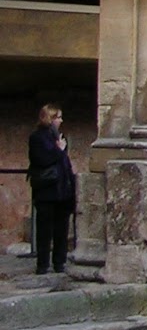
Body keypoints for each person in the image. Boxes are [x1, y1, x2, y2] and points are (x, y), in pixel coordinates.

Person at [27, 103, 75, 275]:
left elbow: (65, 164)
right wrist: (59, 150)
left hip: (61, 190)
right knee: (44, 230)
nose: (61, 121)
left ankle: (59, 262)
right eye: (58, 117)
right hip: (46, 190)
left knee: (61, 229)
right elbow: (42, 159)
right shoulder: (37, 138)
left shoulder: (59, 137)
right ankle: (42, 264)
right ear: (50, 118)